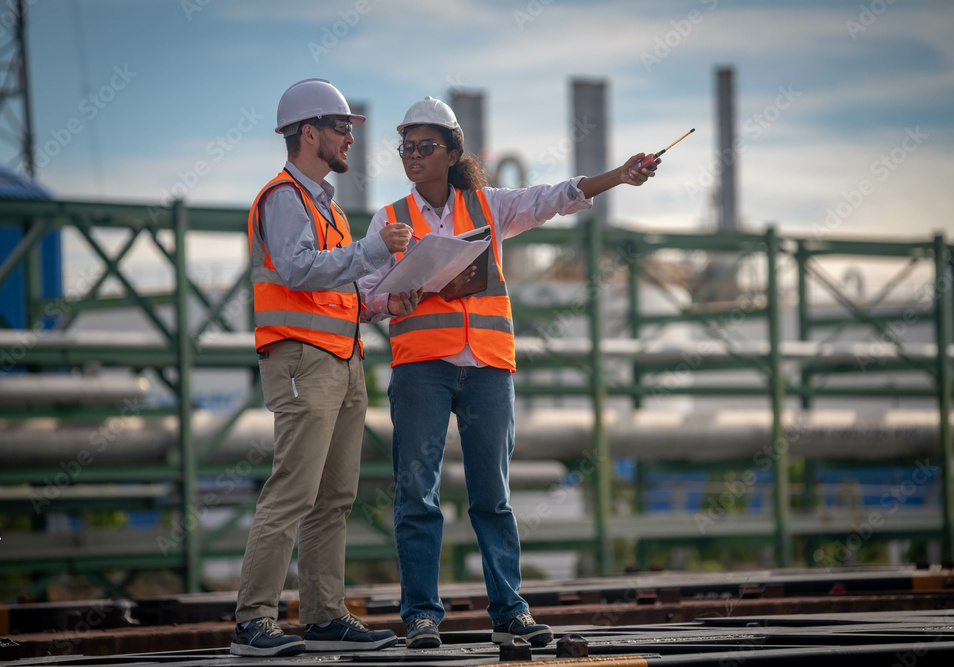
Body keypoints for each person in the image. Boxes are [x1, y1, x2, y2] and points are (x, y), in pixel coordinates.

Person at [358, 97, 659, 649]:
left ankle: (509, 611)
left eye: (425, 146)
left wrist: (618, 176)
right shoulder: (390, 219)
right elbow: (363, 296)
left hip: (487, 368)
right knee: (417, 493)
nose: (413, 155)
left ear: (452, 153)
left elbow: (552, 198)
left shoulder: (488, 206)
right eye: (405, 147)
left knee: (492, 495)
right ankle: (421, 616)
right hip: (422, 368)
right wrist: (392, 301)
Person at [232, 78, 420, 657]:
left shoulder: (327, 207)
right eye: (342, 128)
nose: (350, 139)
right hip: (302, 362)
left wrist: (386, 302)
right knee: (292, 491)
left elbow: (338, 290)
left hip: (342, 360)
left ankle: (323, 616)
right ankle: (253, 621)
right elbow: (298, 270)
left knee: (334, 496)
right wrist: (374, 250)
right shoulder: (283, 198)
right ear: (308, 133)